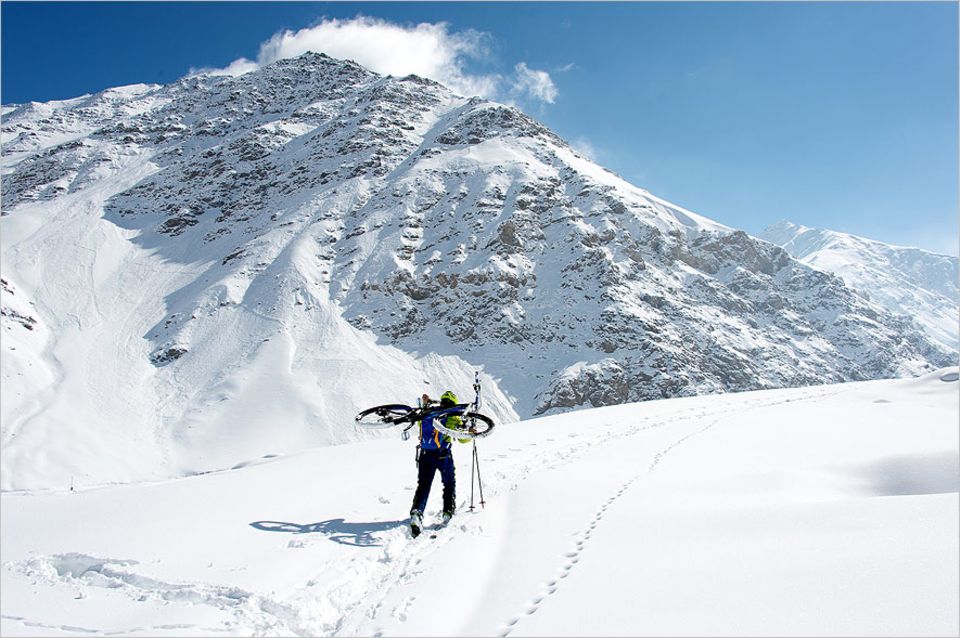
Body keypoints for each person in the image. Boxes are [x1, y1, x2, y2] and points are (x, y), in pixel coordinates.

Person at [409, 390, 467, 537]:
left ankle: (417, 513)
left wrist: (425, 406)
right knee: (449, 483)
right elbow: (462, 438)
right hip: (443, 456)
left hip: (425, 454)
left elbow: (420, 425)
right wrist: (471, 431)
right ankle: (447, 511)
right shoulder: (452, 416)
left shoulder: (431, 414)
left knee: (423, 485)